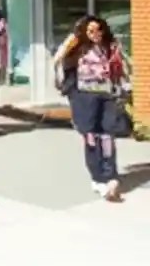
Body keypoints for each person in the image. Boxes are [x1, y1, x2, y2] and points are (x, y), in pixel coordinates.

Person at [54, 15, 130, 202]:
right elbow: (58, 58)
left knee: (107, 135)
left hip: (107, 96)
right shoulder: (77, 48)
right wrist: (72, 38)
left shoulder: (110, 46)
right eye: (90, 31)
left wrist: (125, 86)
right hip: (84, 97)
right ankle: (98, 177)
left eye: (98, 30)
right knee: (91, 136)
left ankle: (110, 175)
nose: (95, 34)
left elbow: (121, 67)